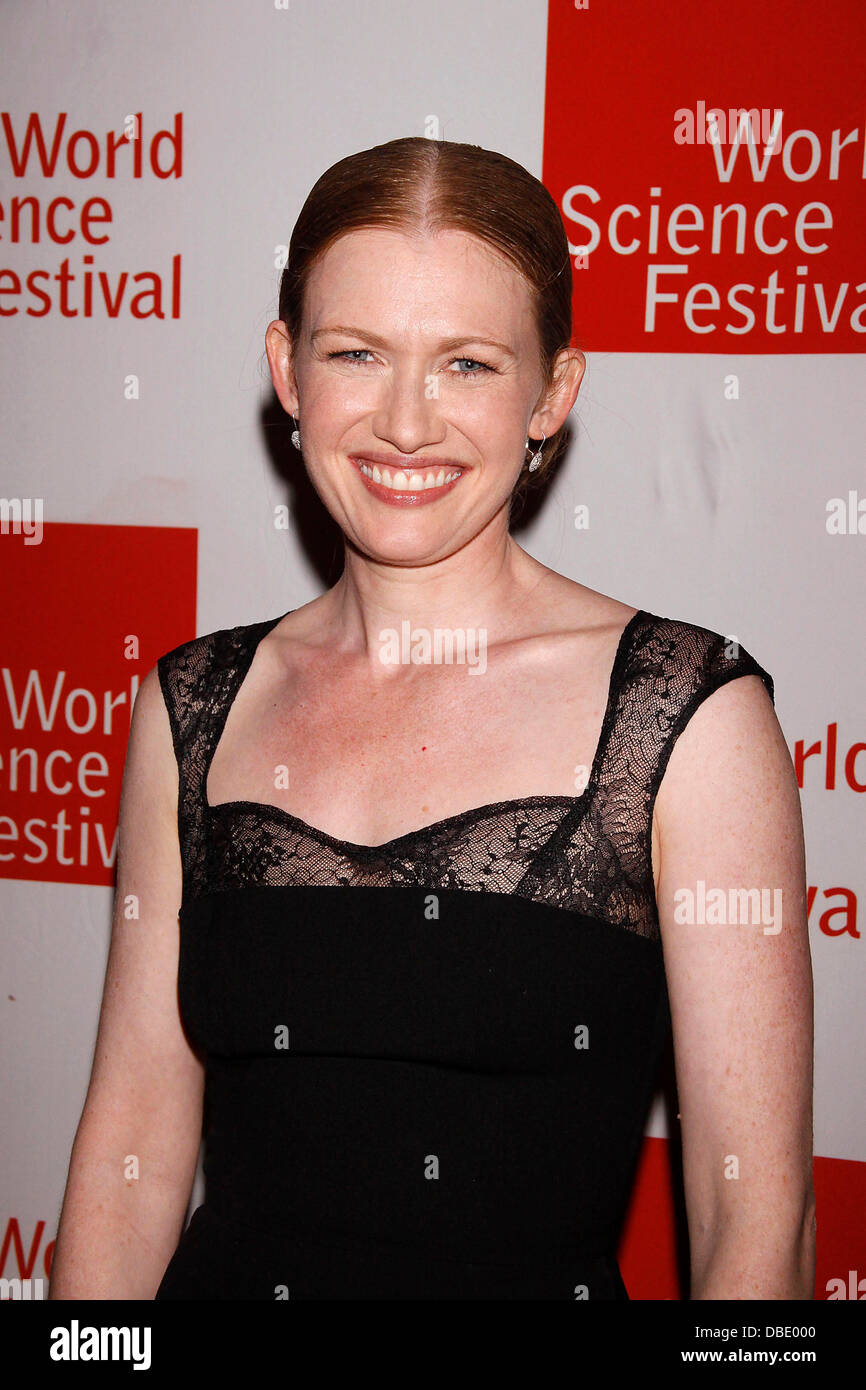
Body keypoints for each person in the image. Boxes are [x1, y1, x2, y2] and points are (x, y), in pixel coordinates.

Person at [49, 136, 815, 1300]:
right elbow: (127, 1159)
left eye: (465, 364)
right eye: (356, 352)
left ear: (551, 393)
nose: (406, 423)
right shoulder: (190, 703)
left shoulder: (686, 715)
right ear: (288, 371)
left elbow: (751, 1219)